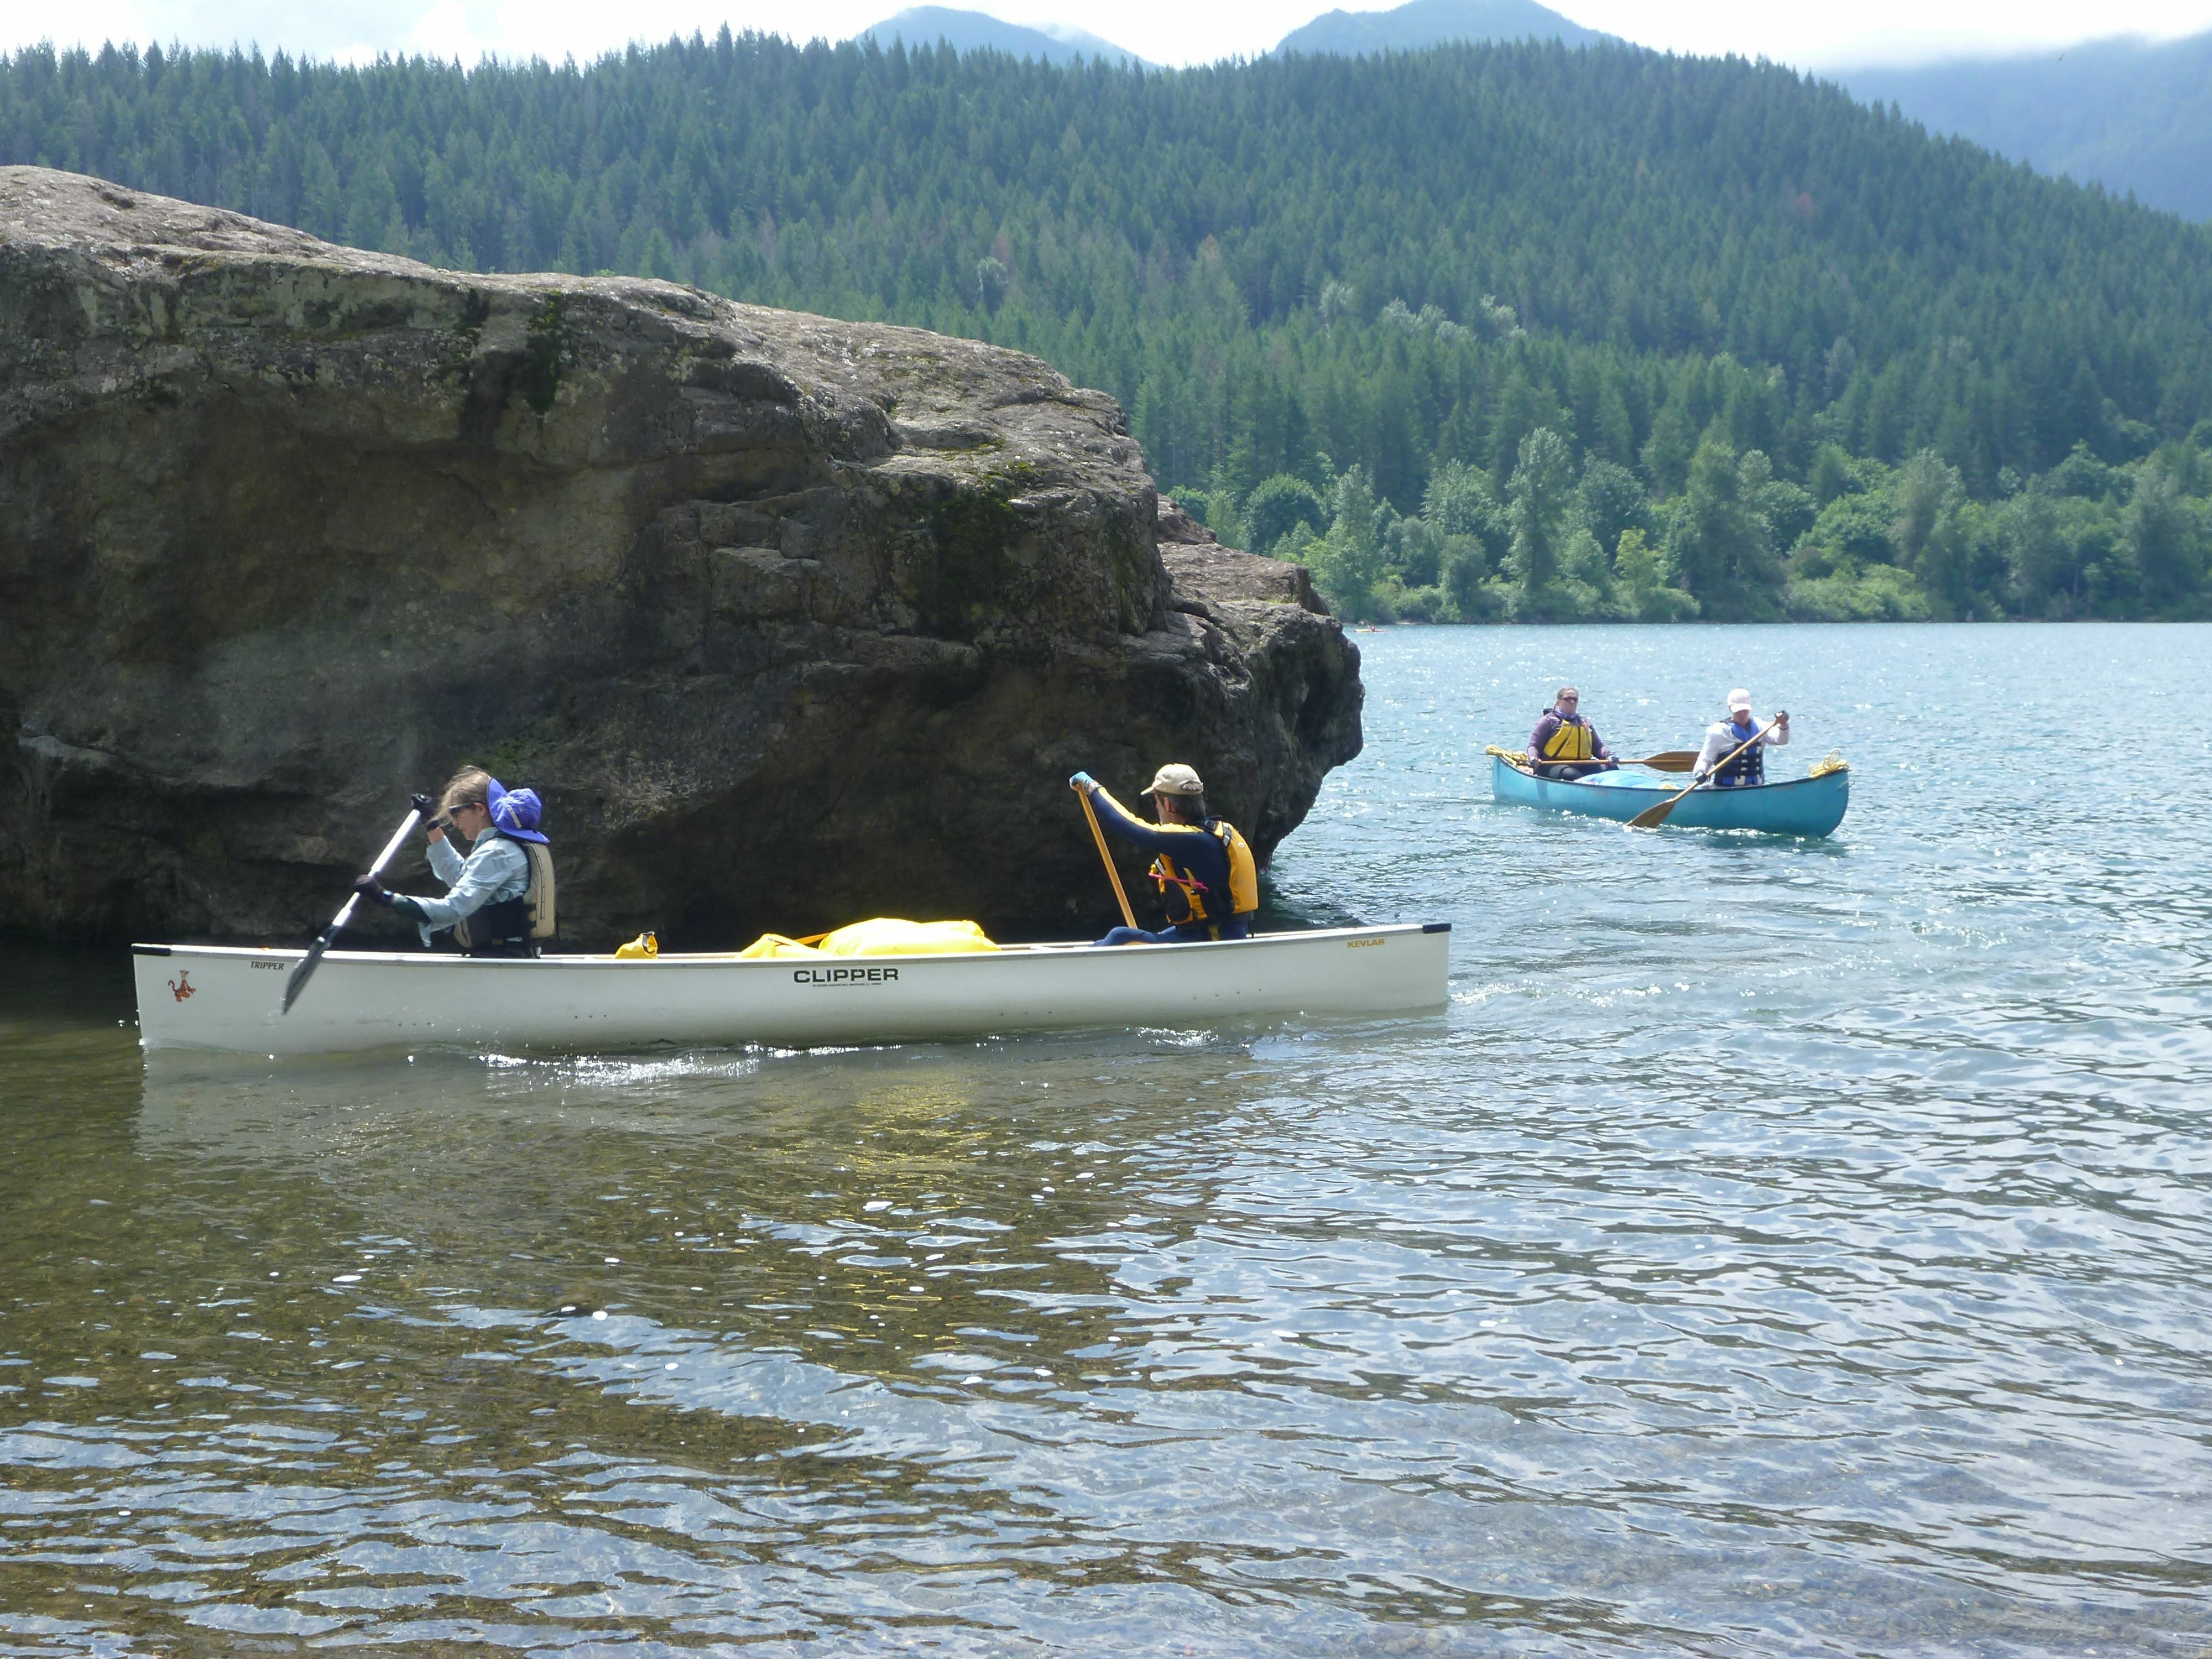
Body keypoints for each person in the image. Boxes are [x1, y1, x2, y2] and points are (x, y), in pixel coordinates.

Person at [352, 767, 555, 954]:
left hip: (502, 959)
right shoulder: (506, 848)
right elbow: (459, 877)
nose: (455, 822)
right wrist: (432, 825)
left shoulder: (498, 852)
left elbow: (452, 910)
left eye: (456, 813)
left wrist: (384, 897)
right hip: (507, 957)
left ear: (480, 809)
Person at [1070, 764, 1259, 946]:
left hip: (1214, 940)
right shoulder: (1214, 834)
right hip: (1205, 933)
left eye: (1155, 801)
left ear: (1167, 804)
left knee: (1121, 936)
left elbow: (1129, 826)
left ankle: (1074, 973)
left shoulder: (1192, 841)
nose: (1157, 808)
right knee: (1118, 941)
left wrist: (1093, 788)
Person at [1694, 690, 1790, 787]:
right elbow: (1705, 759)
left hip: (1756, 789)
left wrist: (1783, 724)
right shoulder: (1719, 732)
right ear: (1730, 709)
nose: (1742, 714)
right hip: (1725, 789)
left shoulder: (1760, 726)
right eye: (1738, 711)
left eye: (1745, 711)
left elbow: (1782, 740)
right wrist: (1700, 772)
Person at [1526, 686, 1617, 780]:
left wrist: (1609, 756)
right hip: (1552, 766)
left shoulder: (1584, 722)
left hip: (1582, 765)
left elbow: (1598, 747)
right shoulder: (1548, 721)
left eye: (1575, 699)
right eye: (1567, 699)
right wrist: (1533, 758)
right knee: (1571, 775)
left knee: (1612, 770)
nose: (1572, 702)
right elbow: (1534, 746)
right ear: (1558, 702)